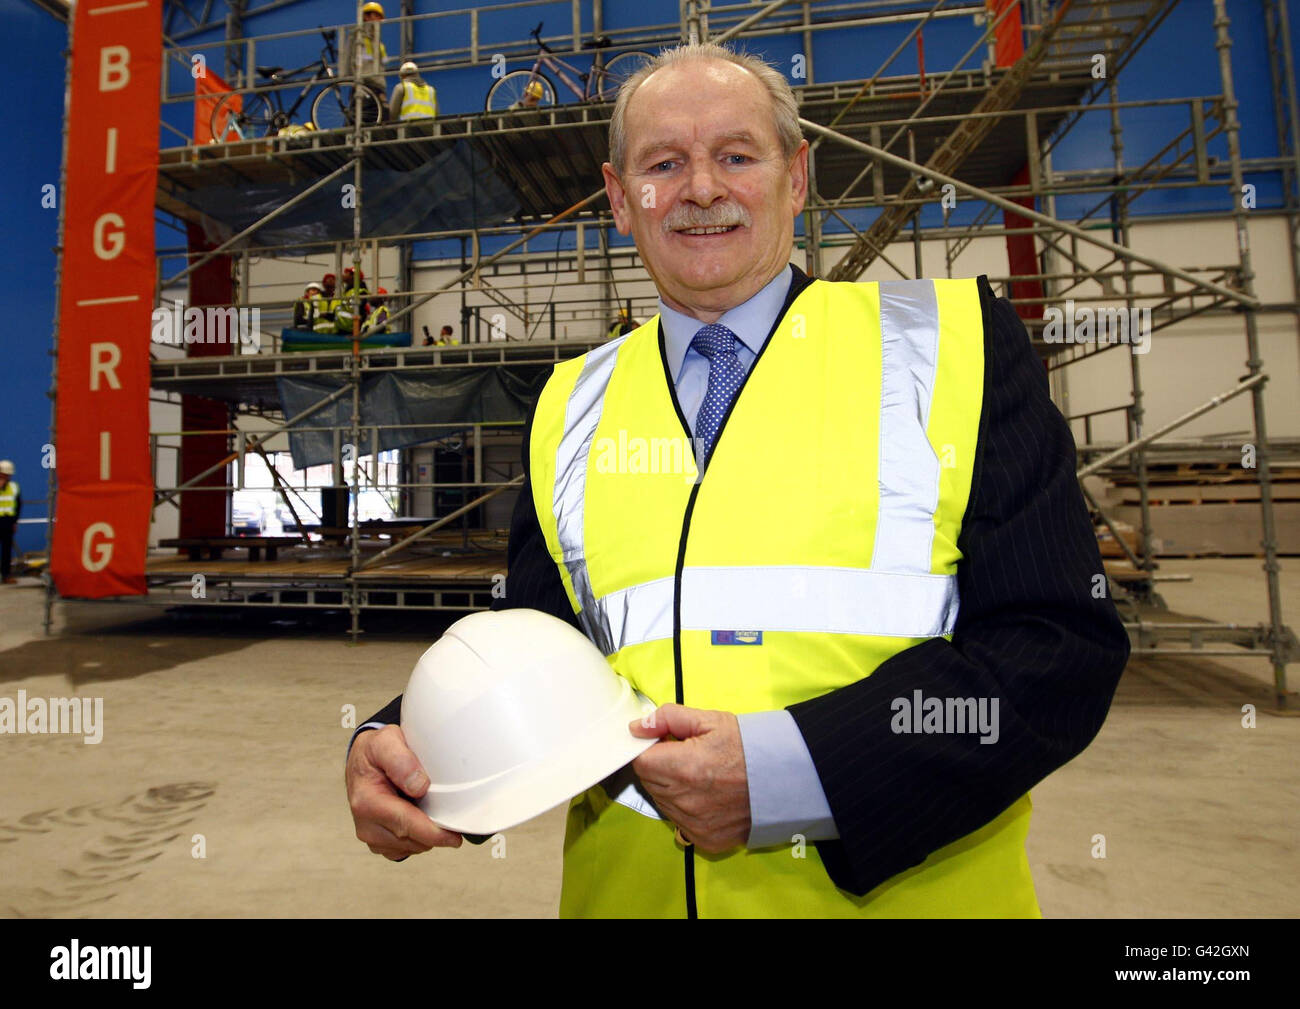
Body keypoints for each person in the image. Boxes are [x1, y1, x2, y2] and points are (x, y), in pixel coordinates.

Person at [345, 42, 1129, 918]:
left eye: (736, 155)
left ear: (797, 177)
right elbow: (547, 644)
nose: (703, 189)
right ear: (618, 198)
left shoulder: (954, 348)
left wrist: (800, 772)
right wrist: (404, 745)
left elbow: (1056, 648)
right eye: (665, 163)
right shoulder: (569, 404)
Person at [343, 1, 388, 122]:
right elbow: (348, 59)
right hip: (363, 84)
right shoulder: (358, 37)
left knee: (383, 119)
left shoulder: (379, 44)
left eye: (380, 17)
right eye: (376, 15)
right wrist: (351, 79)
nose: (378, 20)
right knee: (358, 119)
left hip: (378, 86)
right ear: (366, 17)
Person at [0, 460, 19, 584]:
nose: (6, 477)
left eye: (7, 475)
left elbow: (18, 505)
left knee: (6, 551)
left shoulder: (14, 487)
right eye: (3, 475)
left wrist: (14, 522)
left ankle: (6, 576)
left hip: (8, 522)